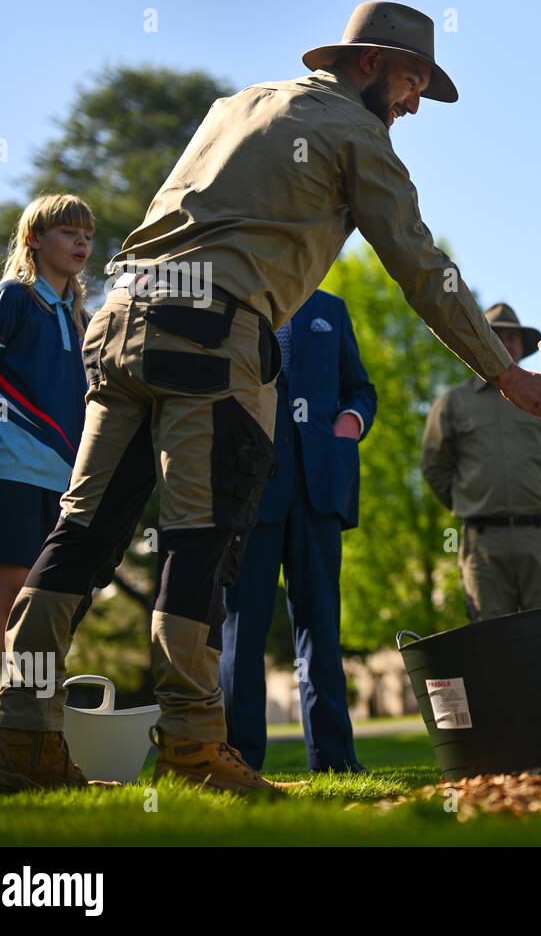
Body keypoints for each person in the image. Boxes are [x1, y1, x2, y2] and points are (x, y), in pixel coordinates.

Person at [0, 0, 541, 795]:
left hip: (118, 323)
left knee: (79, 535)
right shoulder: (358, 135)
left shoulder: (236, 105)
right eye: (413, 80)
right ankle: (191, 743)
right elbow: (422, 265)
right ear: (370, 65)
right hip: (211, 340)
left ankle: (21, 735)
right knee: (201, 539)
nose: (415, 102)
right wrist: (506, 372)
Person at [0, 195, 95, 784]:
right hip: (5, 470)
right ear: (34, 239)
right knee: (6, 599)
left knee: (46, 609)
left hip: (62, 485)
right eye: (67, 231)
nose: (81, 243)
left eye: (86, 234)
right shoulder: (13, 297)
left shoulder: (79, 315)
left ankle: (21, 741)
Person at [221, 289, 376, 773]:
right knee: (242, 631)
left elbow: (360, 389)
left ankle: (334, 760)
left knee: (322, 627)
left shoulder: (331, 308)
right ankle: (240, 760)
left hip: (318, 489)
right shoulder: (233, 299)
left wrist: (350, 423)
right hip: (250, 490)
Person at [422, 303, 541, 621]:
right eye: (495, 336)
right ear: (479, 344)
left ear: (523, 346)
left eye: (512, 337)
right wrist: (470, 502)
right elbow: (434, 466)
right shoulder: (453, 402)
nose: (505, 343)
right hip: (482, 543)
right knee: (492, 644)